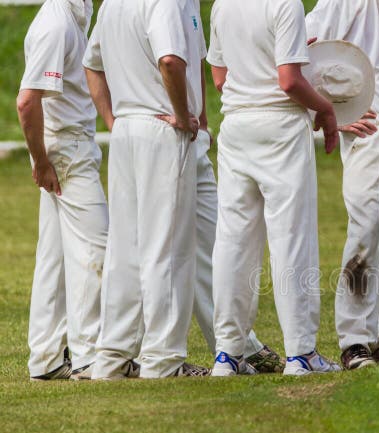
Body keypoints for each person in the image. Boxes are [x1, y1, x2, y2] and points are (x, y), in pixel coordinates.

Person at [207, 0, 341, 377]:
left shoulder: (221, 5)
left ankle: (228, 354)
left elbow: (220, 78)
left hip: (236, 125)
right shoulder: (286, 4)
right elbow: (289, 81)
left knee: (233, 241)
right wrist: (326, 110)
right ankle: (301, 354)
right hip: (280, 125)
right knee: (292, 239)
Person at [83, 0, 209, 378]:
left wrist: (113, 118)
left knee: (126, 246)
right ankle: (162, 358)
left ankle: (112, 356)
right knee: (167, 246)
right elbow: (170, 60)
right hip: (161, 127)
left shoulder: (113, 5)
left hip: (125, 129)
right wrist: (184, 113)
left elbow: (93, 65)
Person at [305, 0, 379, 370]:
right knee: (364, 233)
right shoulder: (345, 3)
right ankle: (354, 340)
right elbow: (300, 49)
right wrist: (330, 114)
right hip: (371, 132)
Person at [17, 0, 108, 381]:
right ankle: (89, 356)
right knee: (97, 251)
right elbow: (26, 102)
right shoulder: (56, 24)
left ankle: (47, 357)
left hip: (67, 146)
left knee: (53, 262)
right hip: (66, 149)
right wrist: (40, 160)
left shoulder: (73, 15)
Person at [193, 82, 284, 374]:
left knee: (220, 242)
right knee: (167, 247)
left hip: (198, 135)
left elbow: (209, 74)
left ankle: (234, 350)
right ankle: (158, 356)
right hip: (169, 129)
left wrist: (201, 119)